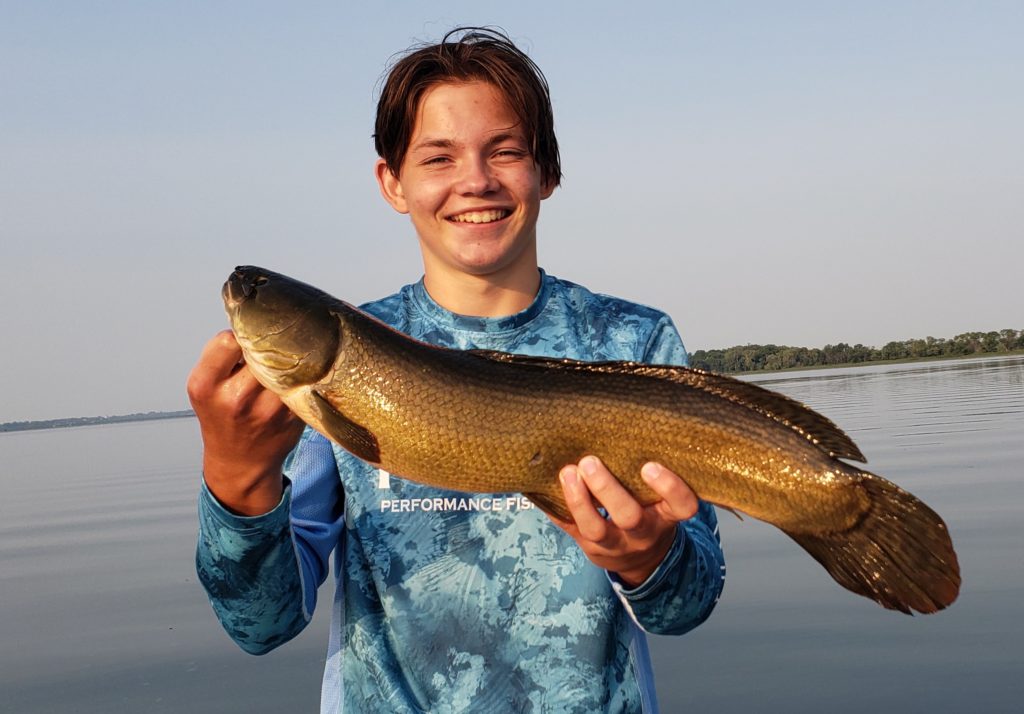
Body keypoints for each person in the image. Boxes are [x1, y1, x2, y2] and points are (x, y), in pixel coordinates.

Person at [187, 27, 725, 714]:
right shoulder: (322, 385)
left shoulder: (633, 342)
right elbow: (261, 625)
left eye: (506, 151)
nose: (475, 180)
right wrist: (235, 481)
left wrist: (648, 558)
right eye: (438, 157)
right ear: (392, 182)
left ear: (547, 172)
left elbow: (687, 607)